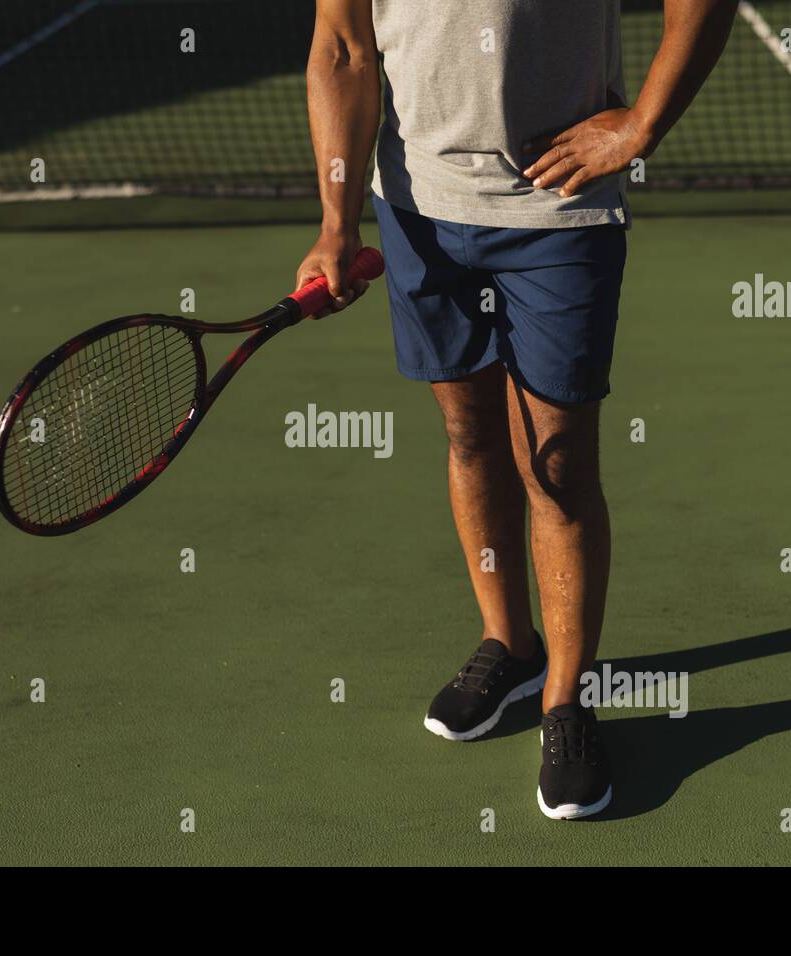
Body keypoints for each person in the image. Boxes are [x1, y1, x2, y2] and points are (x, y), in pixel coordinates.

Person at [296, 0, 736, 819]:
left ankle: (565, 706)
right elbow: (345, 49)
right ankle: (511, 646)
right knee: (470, 438)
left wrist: (641, 124)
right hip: (418, 209)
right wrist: (335, 217)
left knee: (558, 469)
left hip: (555, 211)